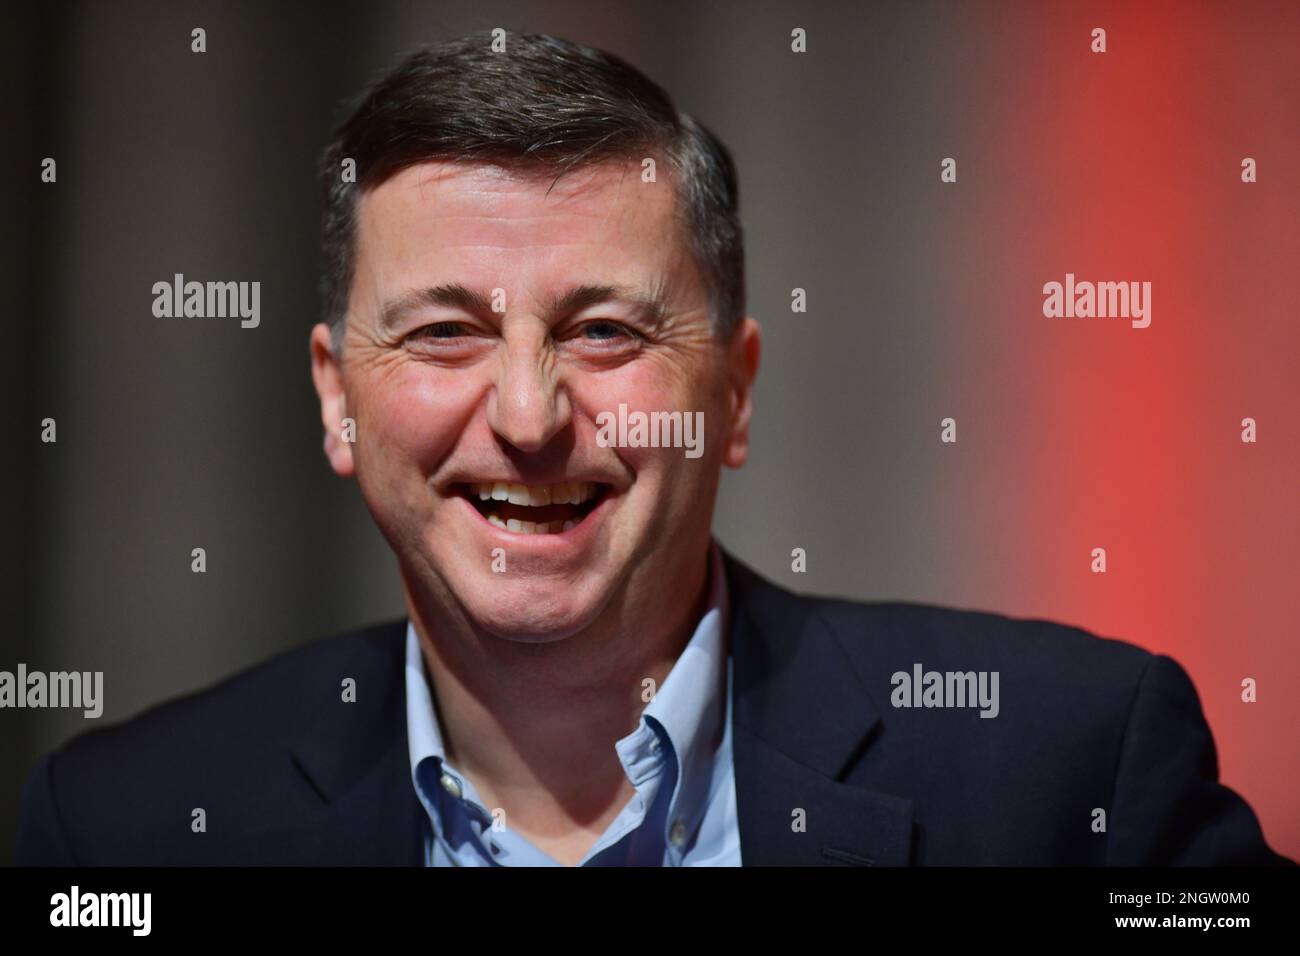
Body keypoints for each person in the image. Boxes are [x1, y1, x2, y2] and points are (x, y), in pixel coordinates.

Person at [15, 31, 1290, 867]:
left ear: (733, 396)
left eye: (607, 329)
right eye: (446, 331)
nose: (527, 413)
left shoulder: (1071, 774)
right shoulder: (124, 836)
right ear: (337, 400)